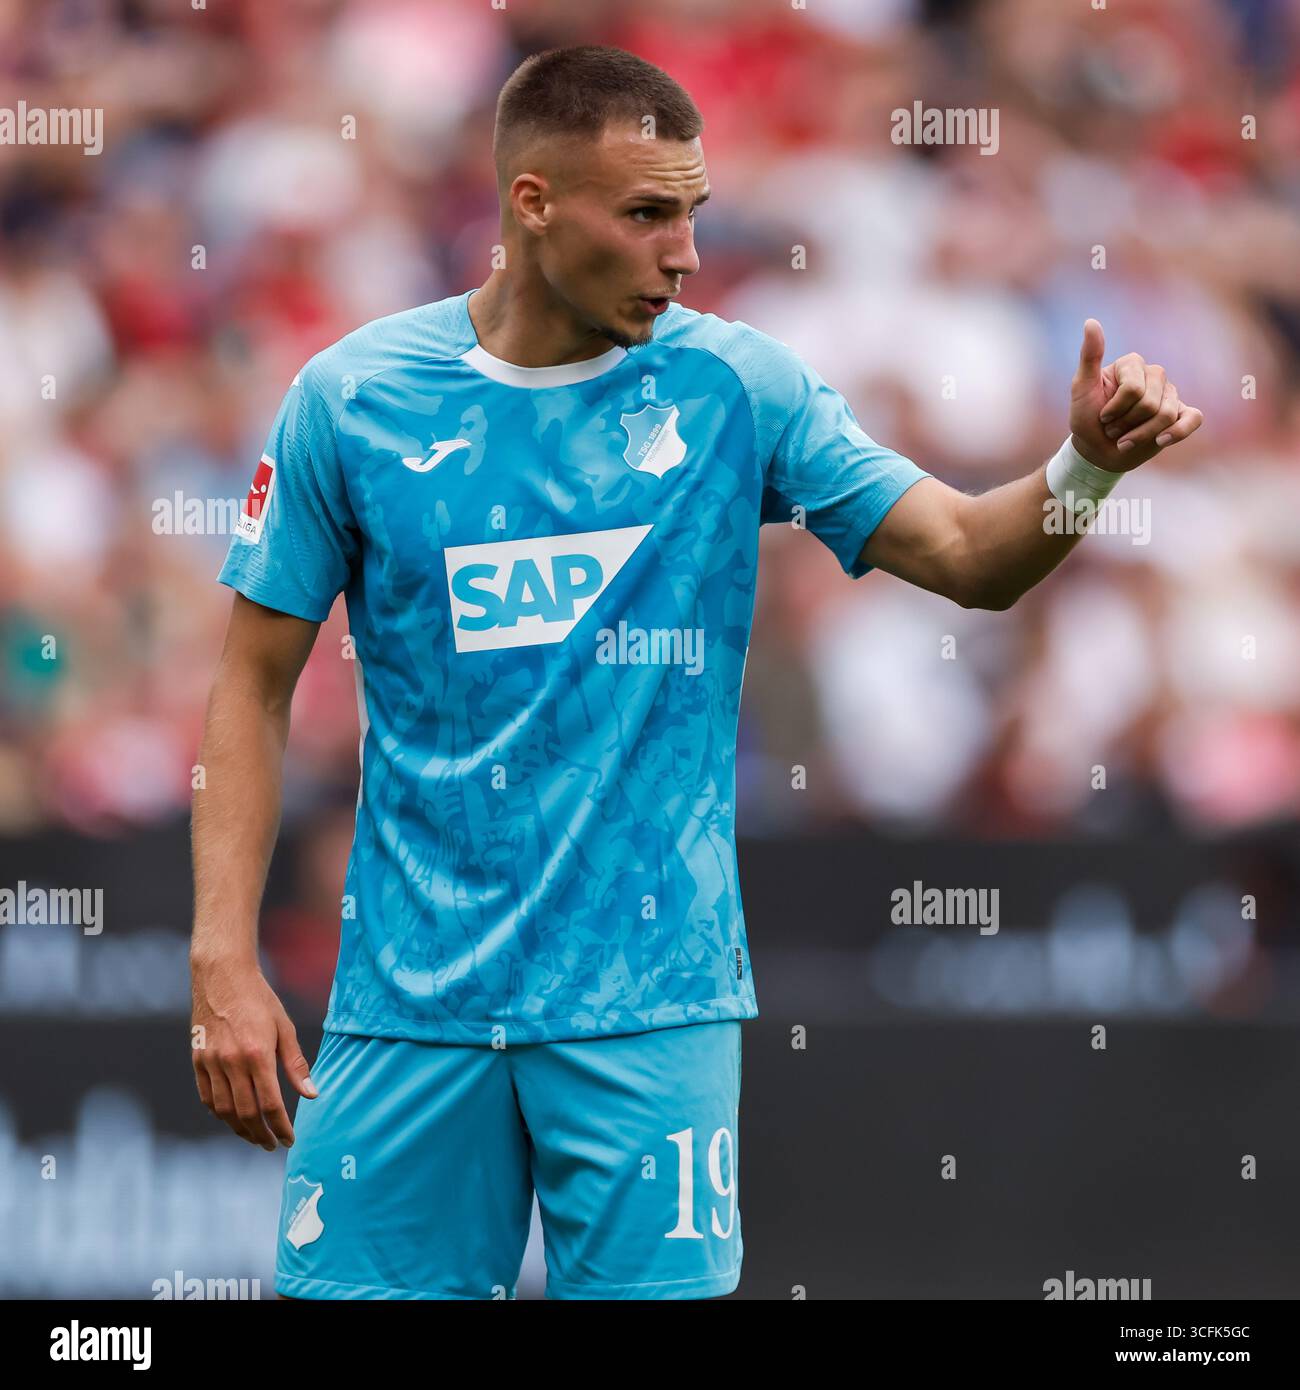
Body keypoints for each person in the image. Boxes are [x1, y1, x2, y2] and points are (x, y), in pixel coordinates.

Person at [189, 44, 1202, 1301]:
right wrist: (222, 963)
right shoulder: (352, 400)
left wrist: (1083, 468)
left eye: (692, 213)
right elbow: (248, 685)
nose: (684, 252)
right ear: (533, 203)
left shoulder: (734, 388)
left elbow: (965, 555)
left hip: (648, 1009)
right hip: (410, 1008)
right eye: (648, 213)